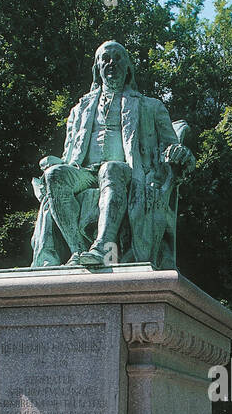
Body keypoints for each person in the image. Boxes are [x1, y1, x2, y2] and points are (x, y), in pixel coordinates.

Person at [31, 41, 195, 269]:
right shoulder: (79, 110)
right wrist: (53, 164)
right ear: (97, 67)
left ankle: (102, 246)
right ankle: (78, 251)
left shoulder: (150, 106)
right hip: (85, 172)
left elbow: (172, 147)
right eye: (105, 58)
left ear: (128, 67)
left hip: (128, 172)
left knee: (111, 168)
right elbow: (69, 153)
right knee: (54, 175)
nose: (111, 63)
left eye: (118, 58)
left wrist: (180, 153)